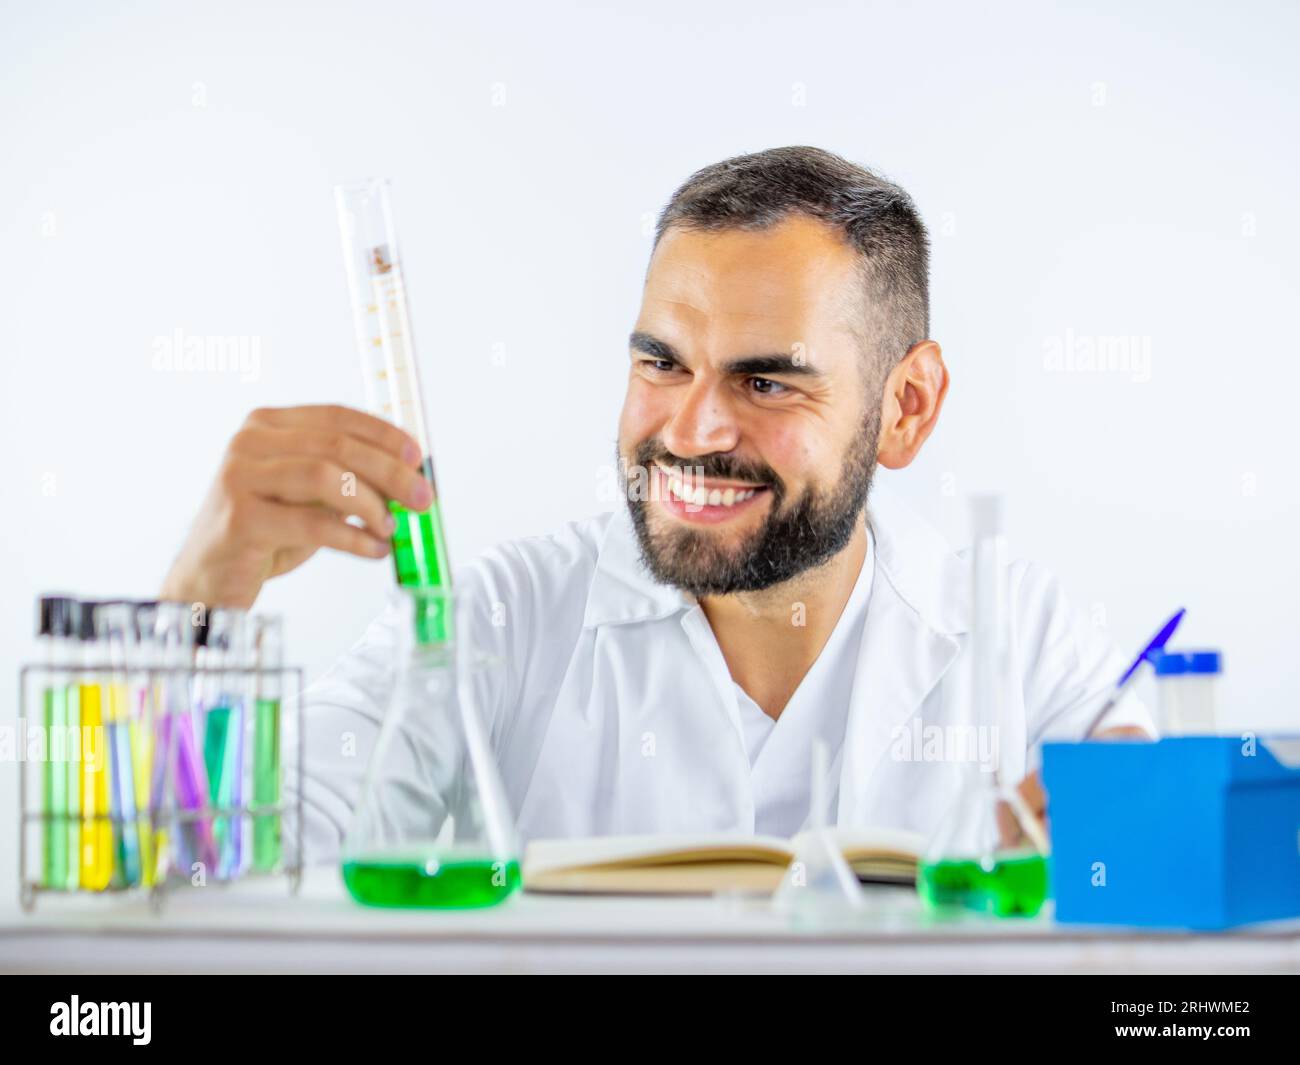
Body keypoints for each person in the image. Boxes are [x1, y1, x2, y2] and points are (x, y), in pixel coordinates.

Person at [161, 146, 1152, 859]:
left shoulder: (1024, 644)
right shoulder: (495, 624)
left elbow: (1178, 896)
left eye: (767, 382)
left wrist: (1157, 836)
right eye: (661, 363)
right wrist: (199, 607)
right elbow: (212, 870)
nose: (691, 430)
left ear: (906, 406)